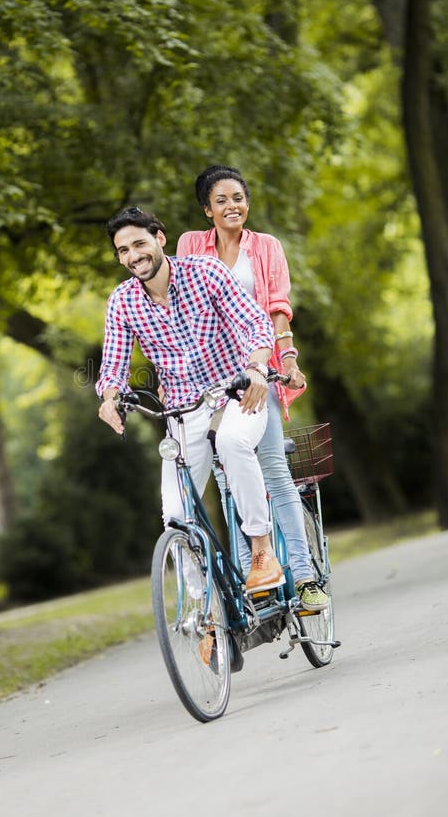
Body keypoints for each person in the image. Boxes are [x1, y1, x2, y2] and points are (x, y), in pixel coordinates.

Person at [96, 206, 285, 595]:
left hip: (237, 393)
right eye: (123, 250)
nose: (133, 256)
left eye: (139, 243)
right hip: (183, 411)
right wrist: (110, 398)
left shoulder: (206, 272)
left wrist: (256, 368)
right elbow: (112, 364)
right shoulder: (122, 302)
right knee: (176, 517)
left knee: (232, 443)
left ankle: (262, 550)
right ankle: (205, 610)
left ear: (160, 238)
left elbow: (255, 323)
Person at [176, 165, 328, 611]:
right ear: (207, 209)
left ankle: (304, 578)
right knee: (226, 482)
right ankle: (253, 580)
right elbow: (183, 306)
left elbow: (278, 308)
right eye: (221, 200)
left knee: (276, 476)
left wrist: (290, 360)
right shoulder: (189, 246)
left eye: (238, 197)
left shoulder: (266, 247)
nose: (232, 206)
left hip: (259, 370)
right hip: (210, 378)